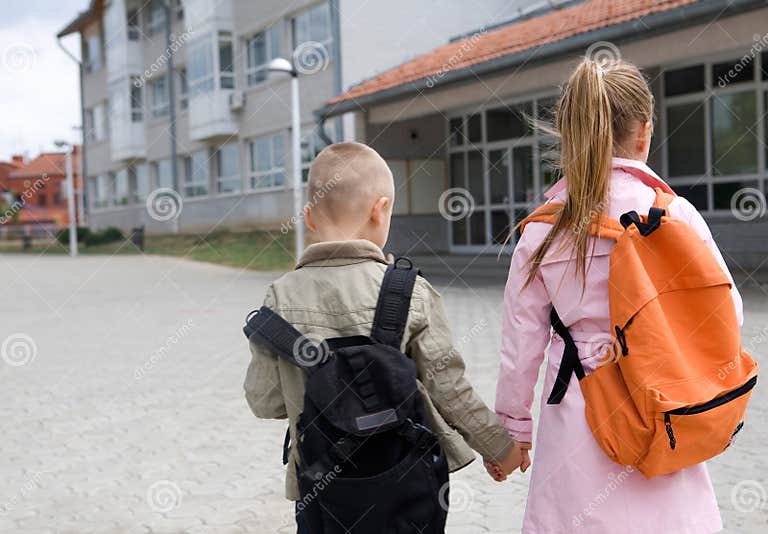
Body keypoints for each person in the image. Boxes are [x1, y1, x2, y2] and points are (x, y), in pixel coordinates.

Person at [494, 58, 743, 533]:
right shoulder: (676, 215)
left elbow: (520, 346)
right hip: (663, 403)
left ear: (568, 135)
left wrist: (513, 431)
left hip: (577, 405)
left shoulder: (542, 231)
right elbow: (729, 312)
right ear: (645, 133)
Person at [244, 141, 523, 533]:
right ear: (381, 209)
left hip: (322, 488)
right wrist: (501, 448)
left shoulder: (279, 299)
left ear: (308, 218)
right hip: (407, 488)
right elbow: (449, 389)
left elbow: (265, 401)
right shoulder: (408, 292)